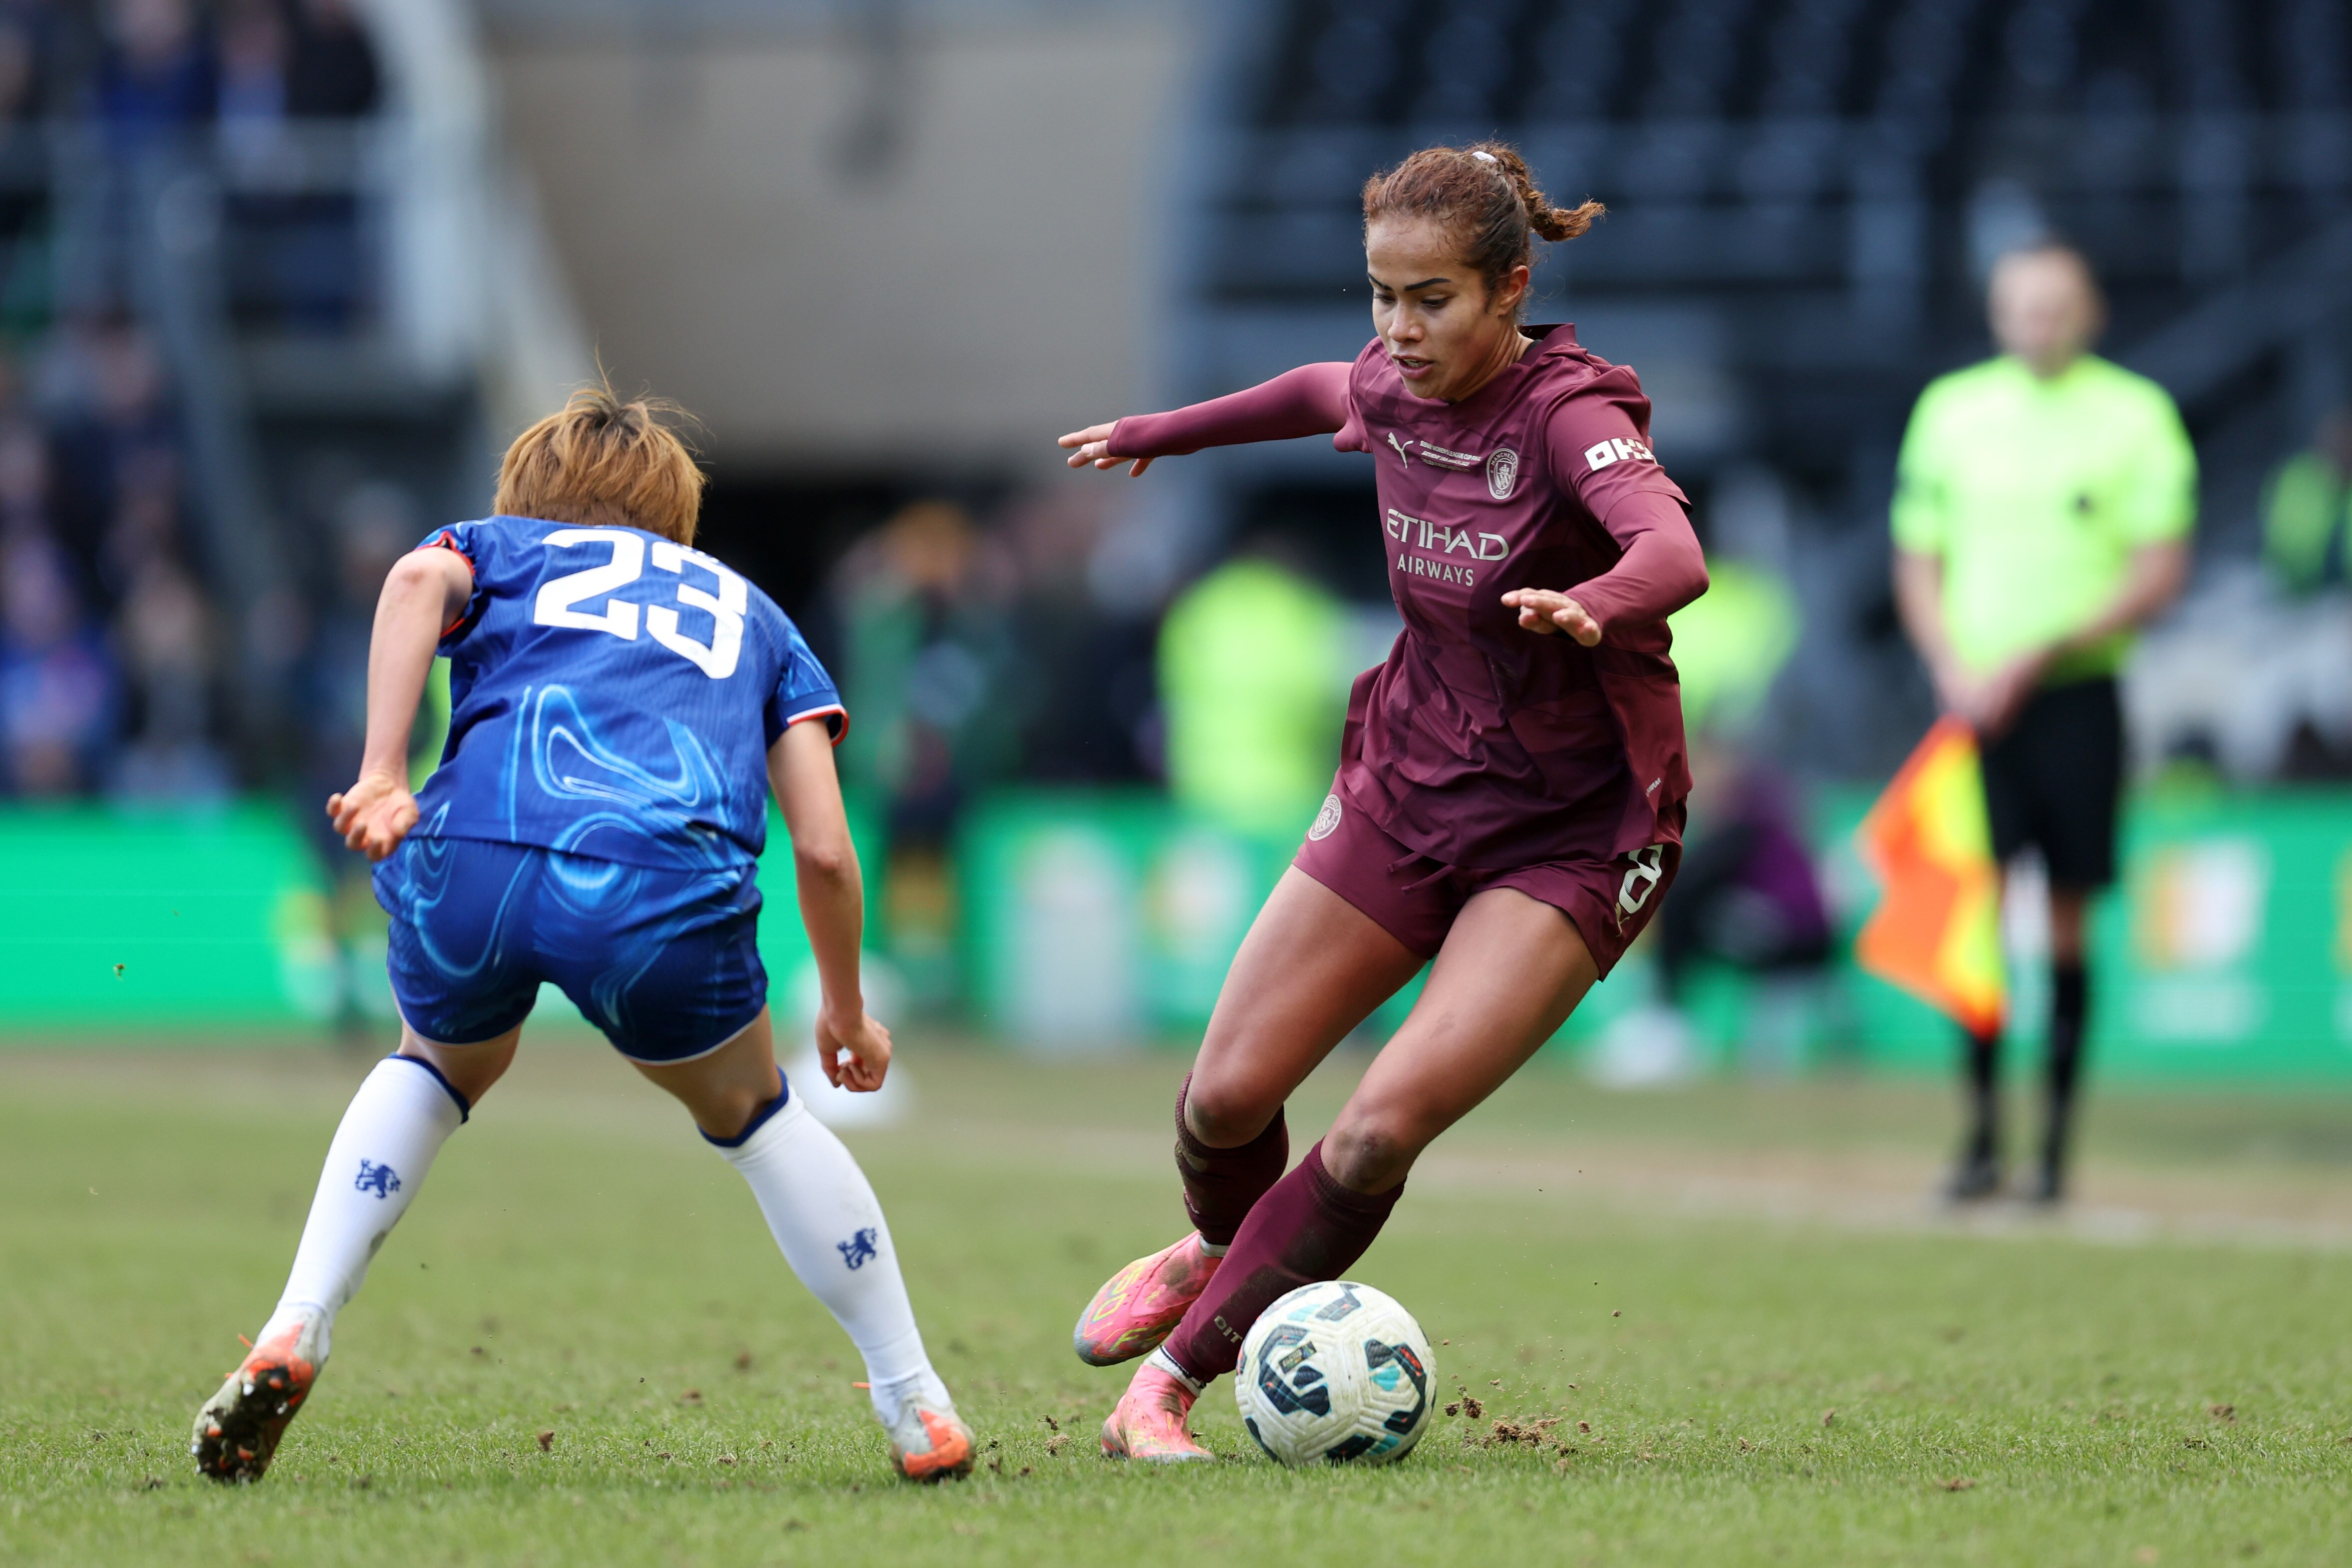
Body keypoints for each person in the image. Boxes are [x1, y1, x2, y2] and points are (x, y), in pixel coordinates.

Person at [190, 386, 974, 1485]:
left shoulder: (505, 547)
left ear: (530, 492)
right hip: (663, 885)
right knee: (756, 1114)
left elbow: (416, 579)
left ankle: (298, 1319)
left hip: (477, 849)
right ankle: (914, 1400)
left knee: (438, 1063)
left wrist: (380, 770)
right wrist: (843, 1010)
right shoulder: (756, 615)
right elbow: (830, 853)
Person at [1056, 142, 1707, 1462]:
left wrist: (1598, 600)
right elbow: (1316, 389)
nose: (1398, 333)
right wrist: (1161, 434)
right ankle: (1221, 1247)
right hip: (1411, 780)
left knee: (1372, 1131)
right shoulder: (1392, 378)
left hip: (1575, 832)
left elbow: (1675, 551)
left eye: (1432, 300)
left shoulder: (1569, 415)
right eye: (1381, 296)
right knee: (1224, 1100)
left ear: (1510, 289)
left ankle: (1165, 1388)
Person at [1891, 244, 2195, 1205]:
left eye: (2057, 306)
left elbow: (2158, 567)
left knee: (2064, 914)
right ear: (1996, 312)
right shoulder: (1951, 411)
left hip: (2074, 699)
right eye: (2022, 306)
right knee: (1975, 917)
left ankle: (2054, 1150)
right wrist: (1949, 660)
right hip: (1973, 703)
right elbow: (1918, 556)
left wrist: (2040, 651)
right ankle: (1981, 1138)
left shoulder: (2136, 414)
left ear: (2089, 311)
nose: (2039, 323)